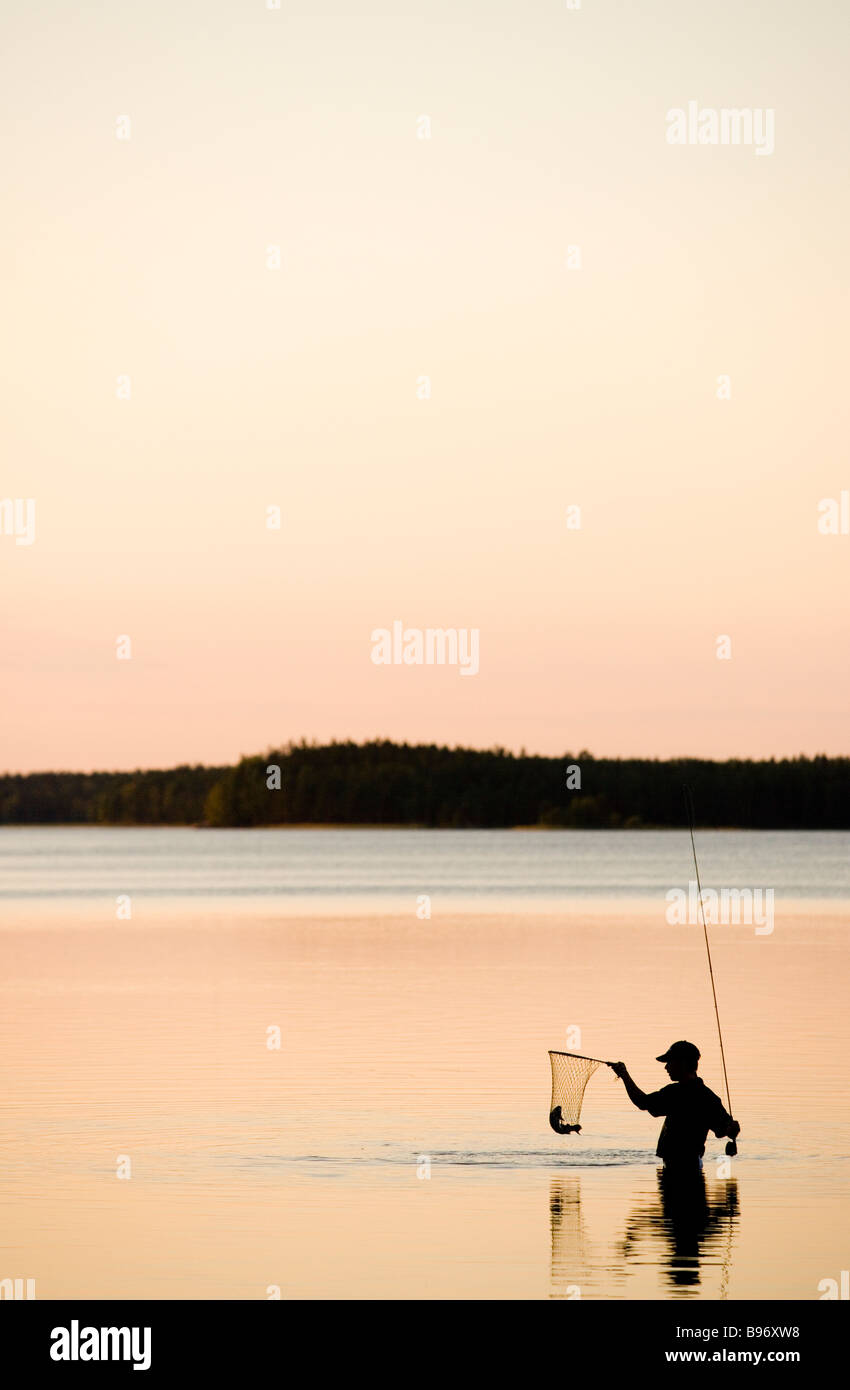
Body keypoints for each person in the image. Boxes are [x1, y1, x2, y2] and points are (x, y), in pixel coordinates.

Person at [609, 1041, 740, 1171]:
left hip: (679, 1169)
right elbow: (723, 1129)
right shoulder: (708, 1097)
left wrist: (624, 1075)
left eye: (669, 1062)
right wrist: (732, 1130)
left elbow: (643, 1102)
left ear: (682, 1063)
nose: (666, 1067)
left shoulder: (675, 1093)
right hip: (693, 1167)